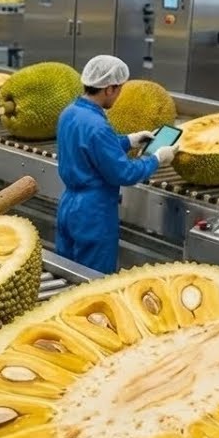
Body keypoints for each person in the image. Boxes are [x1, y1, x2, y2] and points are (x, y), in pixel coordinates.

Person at [55, 55, 178, 274]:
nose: (119, 95)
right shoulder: (98, 126)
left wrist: (128, 140)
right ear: (109, 88)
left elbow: (89, 148)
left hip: (69, 206)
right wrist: (157, 158)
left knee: (66, 273)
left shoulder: (70, 112)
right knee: (93, 281)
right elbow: (124, 173)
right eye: (119, 89)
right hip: (94, 213)